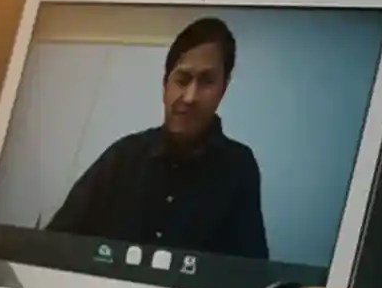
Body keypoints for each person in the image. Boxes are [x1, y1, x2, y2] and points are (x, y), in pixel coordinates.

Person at [45, 17, 269, 260]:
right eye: (182, 80)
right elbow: (54, 242)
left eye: (206, 82)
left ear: (222, 90)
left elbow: (249, 276)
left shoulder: (239, 167)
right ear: (165, 85)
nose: (190, 97)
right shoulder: (123, 156)